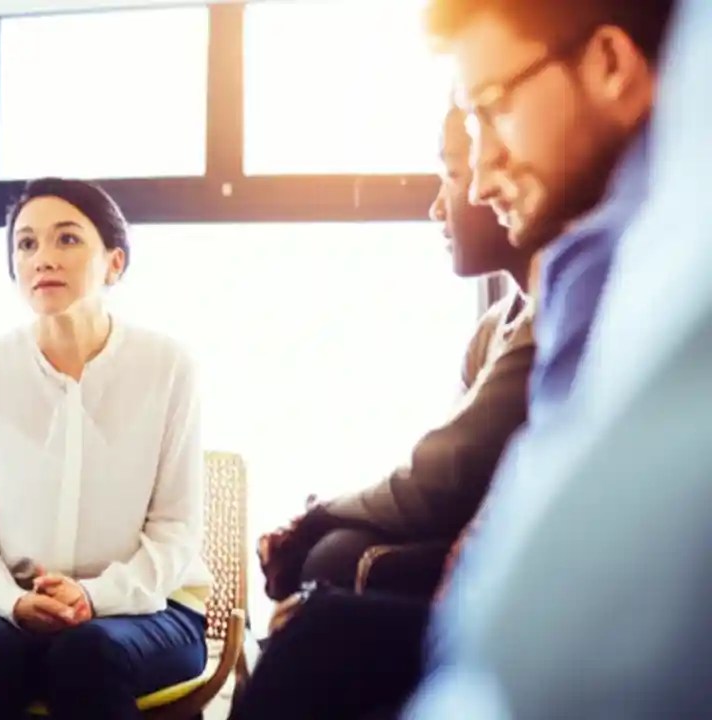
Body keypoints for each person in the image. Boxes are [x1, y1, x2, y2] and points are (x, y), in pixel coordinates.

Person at [230, 103, 536, 720]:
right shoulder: (491, 331)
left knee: (324, 593)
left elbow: (437, 481)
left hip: (519, 595)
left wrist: (318, 518)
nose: (448, 200)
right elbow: (440, 479)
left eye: (450, 173)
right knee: (329, 568)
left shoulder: (554, 324)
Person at [415, 0, 675, 690]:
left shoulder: (612, 263)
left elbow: (525, 637)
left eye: (494, 107)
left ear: (611, 65)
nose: (480, 169)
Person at [0, 177, 211, 720]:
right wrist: (13, 601)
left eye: (66, 240)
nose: (43, 258)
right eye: (26, 244)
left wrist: (94, 597)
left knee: (87, 653)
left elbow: (176, 531)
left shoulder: (169, 366)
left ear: (114, 262)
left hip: (146, 609)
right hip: (2, 606)